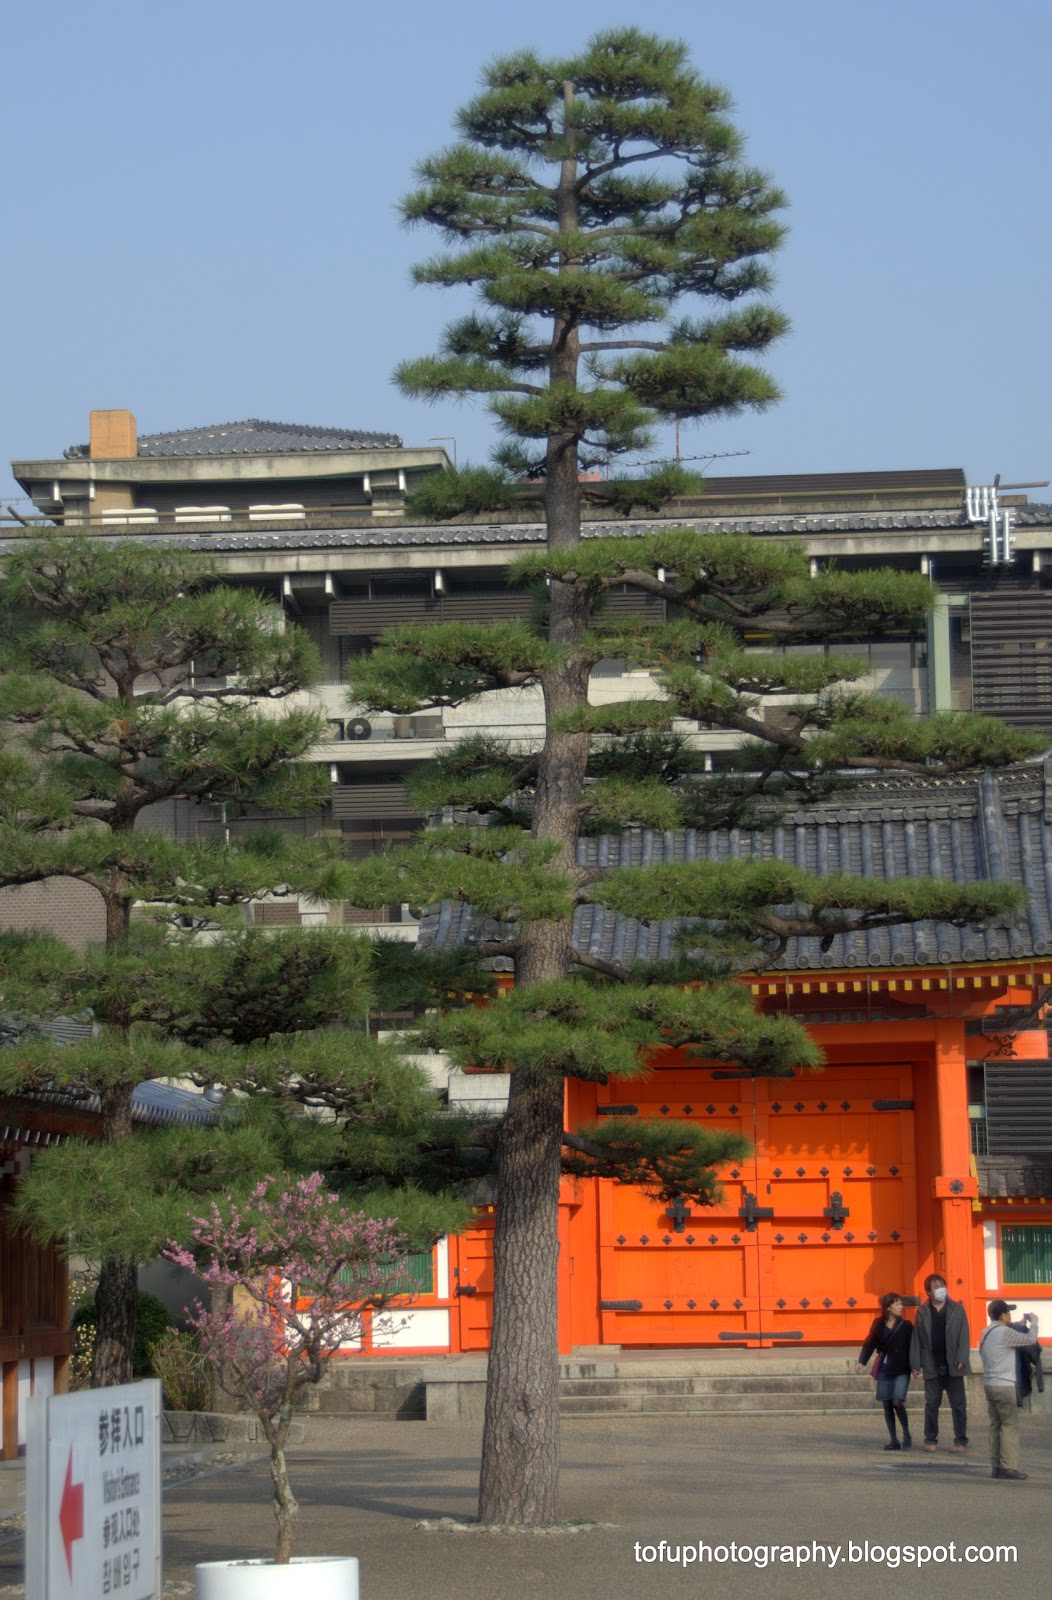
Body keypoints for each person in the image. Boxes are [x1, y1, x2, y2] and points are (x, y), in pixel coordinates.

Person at [979, 1299, 1040, 1481]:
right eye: (1008, 1313)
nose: (1010, 1316)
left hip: (989, 1384)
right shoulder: (1005, 1333)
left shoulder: (985, 1331)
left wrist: (1019, 1324)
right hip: (1004, 1385)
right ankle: (1009, 1467)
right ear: (1002, 1315)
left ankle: (996, 1466)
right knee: (1009, 1425)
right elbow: (1030, 1339)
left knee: (995, 1425)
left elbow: (1007, 1335)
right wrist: (1034, 1322)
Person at [909, 1272, 970, 1452]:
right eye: (935, 1287)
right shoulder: (922, 1311)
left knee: (958, 1405)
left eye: (941, 1285)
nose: (940, 1289)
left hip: (954, 1364)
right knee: (932, 1404)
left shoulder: (957, 1309)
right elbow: (917, 1339)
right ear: (928, 1291)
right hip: (931, 1364)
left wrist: (962, 1358)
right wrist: (915, 1364)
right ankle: (930, 1438)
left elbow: (964, 1336)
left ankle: (960, 1440)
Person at [856, 1292, 913, 1449]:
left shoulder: (906, 1325)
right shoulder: (878, 1324)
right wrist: (862, 1361)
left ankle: (906, 1432)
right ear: (888, 1307)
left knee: (897, 1401)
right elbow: (870, 1343)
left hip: (901, 1368)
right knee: (887, 1404)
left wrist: (916, 1366)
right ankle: (893, 1439)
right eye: (897, 1304)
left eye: (901, 1304)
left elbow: (913, 1347)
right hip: (884, 1368)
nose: (900, 1307)